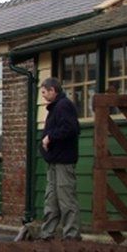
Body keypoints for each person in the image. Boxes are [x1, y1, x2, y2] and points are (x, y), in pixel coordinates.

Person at [38, 77, 81, 241]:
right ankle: (47, 233)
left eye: (44, 92)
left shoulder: (64, 106)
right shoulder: (55, 108)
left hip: (64, 160)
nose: (43, 96)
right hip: (54, 160)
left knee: (66, 198)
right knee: (51, 198)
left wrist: (50, 137)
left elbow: (71, 128)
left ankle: (71, 235)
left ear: (52, 90)